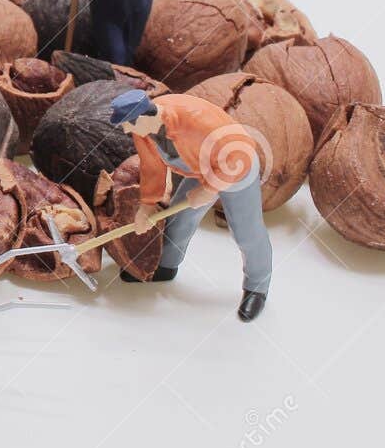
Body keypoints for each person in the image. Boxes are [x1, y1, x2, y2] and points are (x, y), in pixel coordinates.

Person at [109, 89, 272, 322]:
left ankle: (257, 288)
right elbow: (152, 166)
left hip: (236, 168)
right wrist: (147, 204)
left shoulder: (196, 120)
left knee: (246, 232)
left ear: (144, 118)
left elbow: (241, 151)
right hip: (200, 167)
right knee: (180, 219)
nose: (126, 131)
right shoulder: (143, 130)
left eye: (127, 125)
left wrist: (211, 188)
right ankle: (166, 267)